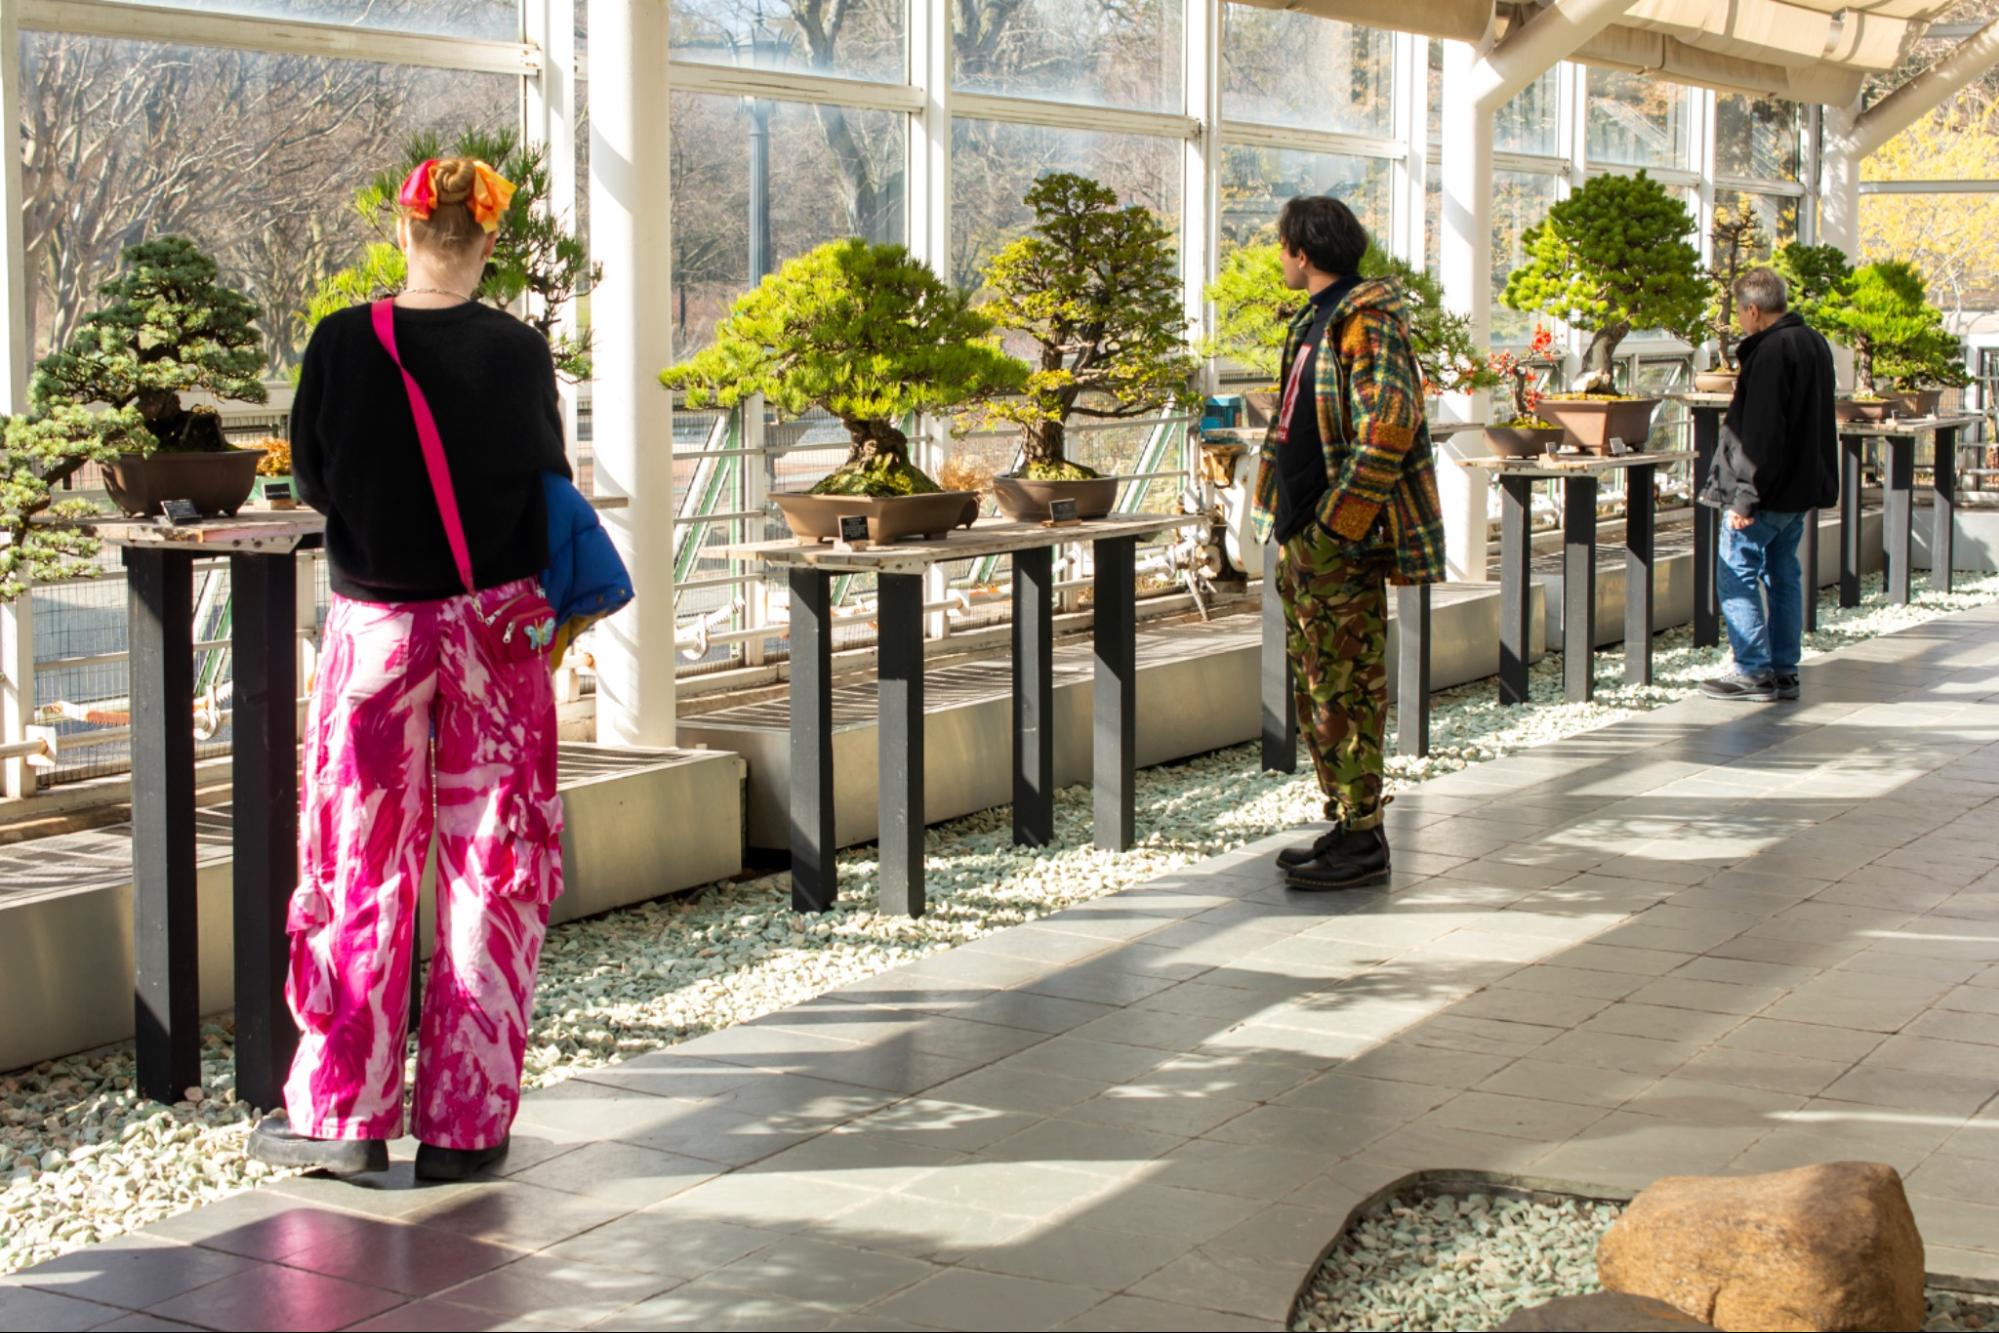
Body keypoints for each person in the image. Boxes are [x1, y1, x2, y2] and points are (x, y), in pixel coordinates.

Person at [248, 157, 571, 1181]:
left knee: (359, 861)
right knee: (492, 866)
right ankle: (466, 1124)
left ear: (404, 225)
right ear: (487, 239)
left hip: (378, 634)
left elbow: (311, 474)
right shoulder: (521, 353)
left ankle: (347, 1118)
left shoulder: (346, 340)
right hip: (494, 635)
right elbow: (547, 486)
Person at [1258, 196, 1447, 891]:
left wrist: (1337, 524)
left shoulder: (1363, 322)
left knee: (1346, 685)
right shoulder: (1316, 320)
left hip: (1333, 538)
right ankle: (1345, 819)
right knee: (1317, 685)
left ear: (1302, 252)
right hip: (1305, 533)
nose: (1278, 257)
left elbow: (1390, 422)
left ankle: (1365, 837)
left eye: (1282, 246)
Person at [1699, 266, 1837, 703]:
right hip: (1799, 488)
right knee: (1784, 576)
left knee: (1736, 573)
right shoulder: (1814, 342)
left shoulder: (1770, 352)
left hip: (1766, 492)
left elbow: (1760, 435)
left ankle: (1753, 670)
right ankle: (1783, 670)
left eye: (1740, 313)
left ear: (1753, 310)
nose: (1740, 320)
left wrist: (1743, 498)